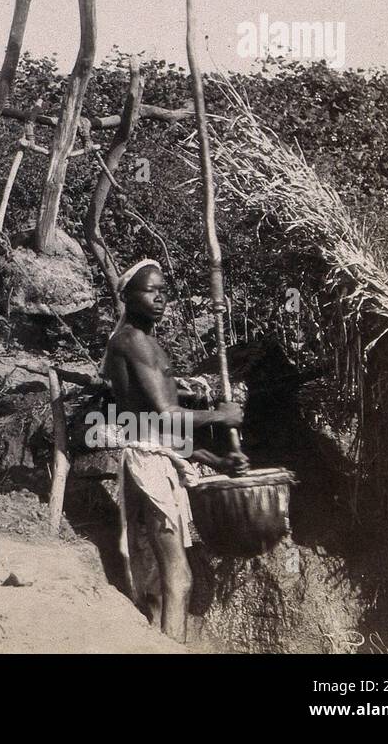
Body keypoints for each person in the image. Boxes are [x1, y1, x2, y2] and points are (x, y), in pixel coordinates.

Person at [97, 259, 247, 642]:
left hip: (153, 455)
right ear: (127, 296)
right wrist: (220, 416)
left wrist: (216, 460)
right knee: (178, 577)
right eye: (151, 290)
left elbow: (157, 427)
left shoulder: (145, 342)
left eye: (164, 291)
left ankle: (162, 641)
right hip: (148, 463)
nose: (160, 298)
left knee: (165, 577)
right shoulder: (132, 341)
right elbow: (165, 416)